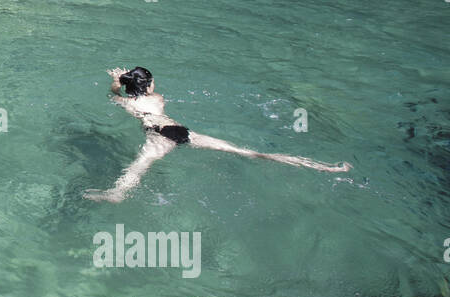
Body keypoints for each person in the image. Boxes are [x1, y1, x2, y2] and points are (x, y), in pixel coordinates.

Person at [84, 66, 351, 203]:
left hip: (158, 135)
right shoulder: (158, 98)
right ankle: (321, 167)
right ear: (150, 84)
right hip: (182, 131)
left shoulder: (129, 103)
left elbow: (114, 93)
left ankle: (118, 194)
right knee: (248, 152)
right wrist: (126, 79)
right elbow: (140, 90)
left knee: (139, 167)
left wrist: (116, 80)